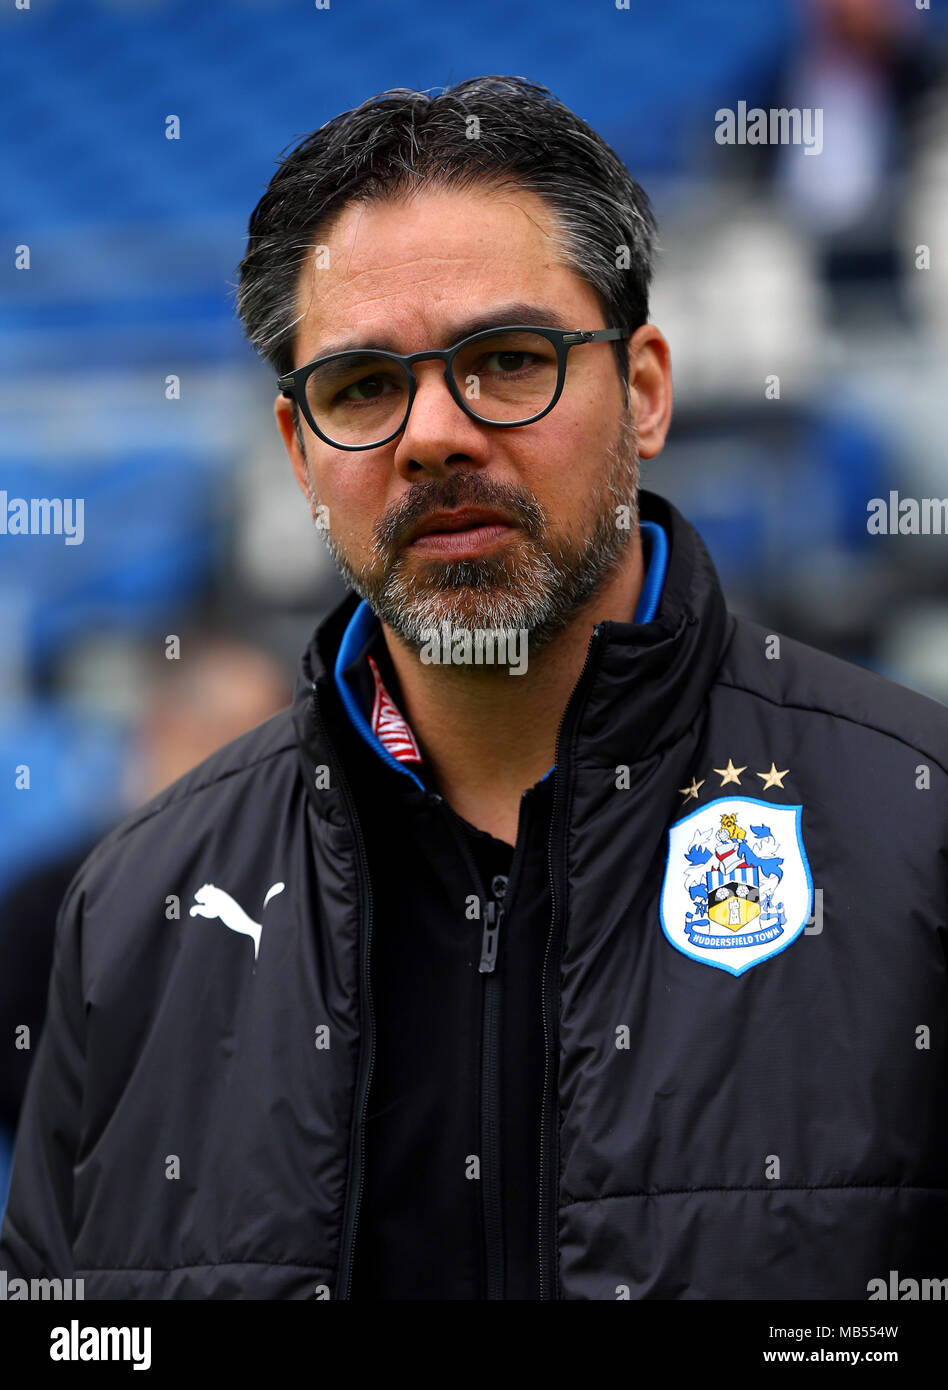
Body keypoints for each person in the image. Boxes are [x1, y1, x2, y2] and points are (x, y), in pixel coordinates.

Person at [1, 75, 945, 1301]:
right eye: (362, 387)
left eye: (508, 361)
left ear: (646, 392)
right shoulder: (132, 913)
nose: (434, 433)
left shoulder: (918, 826)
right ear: (298, 452)